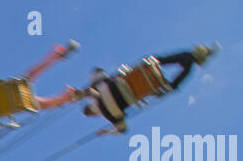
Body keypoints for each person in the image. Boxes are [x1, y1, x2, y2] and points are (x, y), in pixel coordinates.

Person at [83, 44, 219, 134]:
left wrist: (106, 132)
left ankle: (186, 61)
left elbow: (122, 129)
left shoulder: (112, 117)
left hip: (135, 93)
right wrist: (86, 91)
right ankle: (169, 62)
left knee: (175, 67)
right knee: (165, 61)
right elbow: (97, 71)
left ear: (94, 114)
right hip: (126, 81)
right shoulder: (96, 92)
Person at [0, 41, 84, 126]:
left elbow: (4, 114)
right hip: (16, 89)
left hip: (21, 103)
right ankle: (55, 56)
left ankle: (67, 97)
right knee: (33, 73)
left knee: (43, 104)